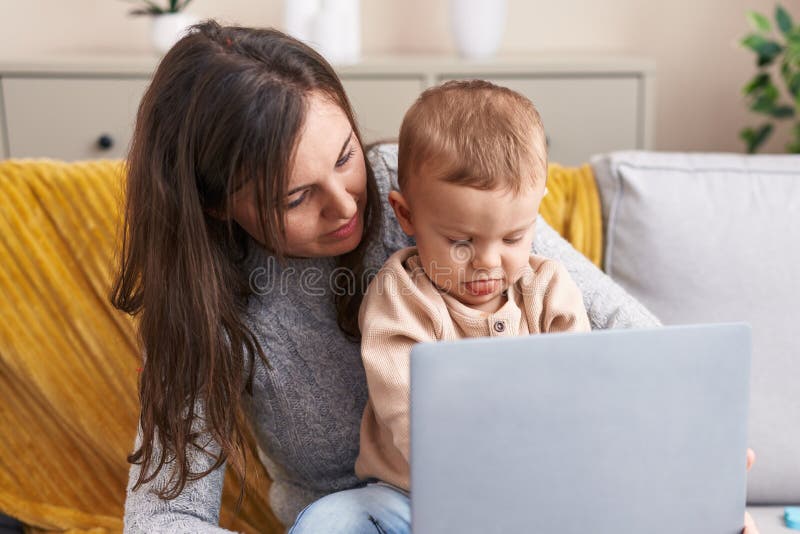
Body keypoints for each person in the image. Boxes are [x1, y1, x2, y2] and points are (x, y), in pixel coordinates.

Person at [112, 20, 759, 534]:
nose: (346, 205)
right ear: (218, 204)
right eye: (295, 198)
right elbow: (161, 516)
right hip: (373, 513)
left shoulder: (418, 184)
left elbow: (618, 326)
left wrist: (695, 448)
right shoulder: (207, 308)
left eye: (345, 158)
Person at [355, 80, 590, 497]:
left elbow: (582, 390)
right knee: (333, 520)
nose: (488, 262)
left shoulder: (549, 289)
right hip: (413, 491)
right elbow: (410, 414)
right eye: (461, 242)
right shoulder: (400, 299)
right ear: (405, 215)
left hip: (530, 484)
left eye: (513, 238)